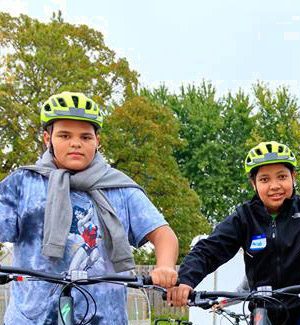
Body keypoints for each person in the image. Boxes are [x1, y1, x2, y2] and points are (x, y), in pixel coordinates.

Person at [0, 91, 179, 324]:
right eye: (64, 135)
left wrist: (165, 267)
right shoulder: (24, 183)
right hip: (32, 319)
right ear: (47, 139)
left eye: (86, 137)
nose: (76, 143)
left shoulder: (120, 188)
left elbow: (164, 235)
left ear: (98, 141)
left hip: (105, 318)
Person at [168, 141, 300, 325]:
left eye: (282, 177)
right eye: (265, 179)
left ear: (293, 177)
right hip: (263, 307)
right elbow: (209, 250)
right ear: (253, 184)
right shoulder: (244, 218)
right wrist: (185, 281)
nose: (274, 186)